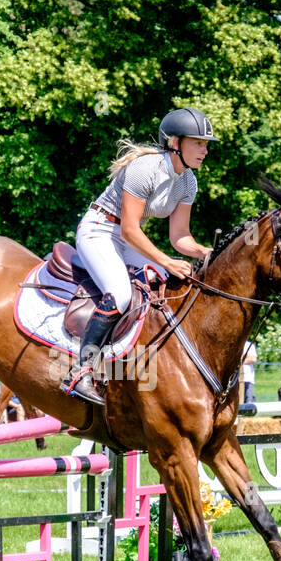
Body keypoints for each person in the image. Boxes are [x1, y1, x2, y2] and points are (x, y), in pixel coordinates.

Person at [62, 107, 217, 404]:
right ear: (175, 143)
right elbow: (130, 231)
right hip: (100, 230)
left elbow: (179, 237)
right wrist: (166, 259)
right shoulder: (145, 168)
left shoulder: (188, 182)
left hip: (125, 238)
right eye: (198, 142)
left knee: (164, 281)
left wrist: (207, 252)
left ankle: (130, 366)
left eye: (206, 144)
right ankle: (81, 371)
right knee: (120, 295)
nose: (204, 150)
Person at [240, 341, 258, 406]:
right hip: (236, 380)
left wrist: (240, 360)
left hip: (248, 378)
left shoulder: (249, 345)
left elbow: (253, 359)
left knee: (248, 401)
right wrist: (245, 356)